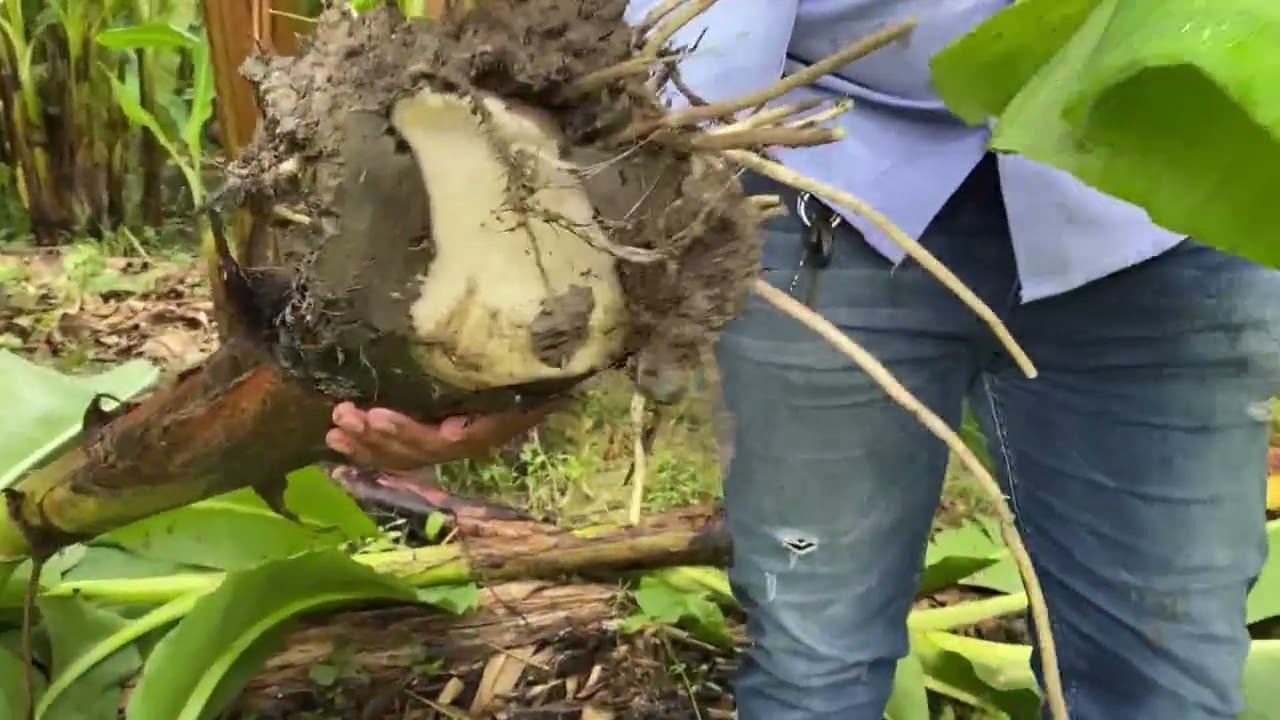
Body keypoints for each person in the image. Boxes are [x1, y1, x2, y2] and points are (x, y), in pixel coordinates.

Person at [326, 1, 1280, 717]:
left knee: (1162, 672)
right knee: (813, 658)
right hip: (829, 165)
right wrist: (534, 362)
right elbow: (645, 63)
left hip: (1173, 170)